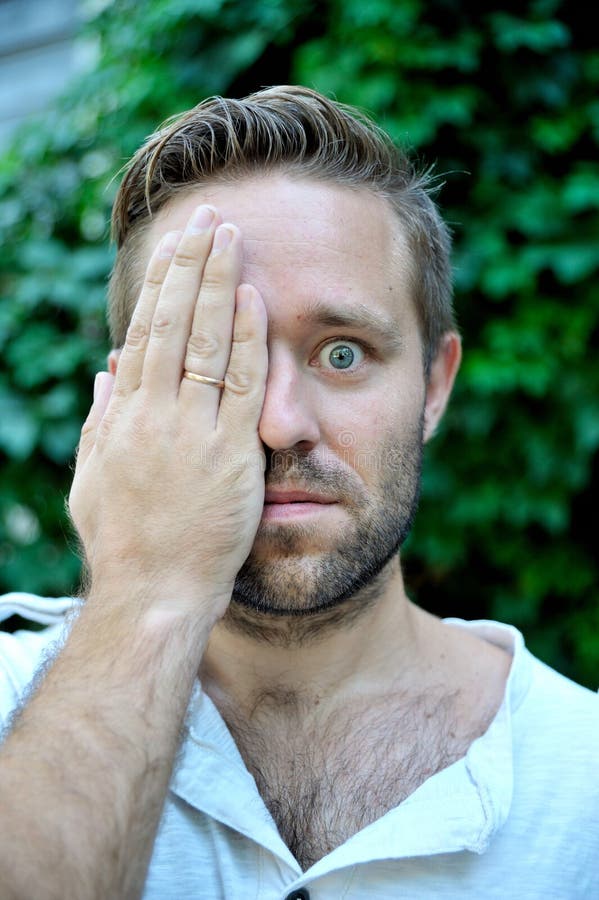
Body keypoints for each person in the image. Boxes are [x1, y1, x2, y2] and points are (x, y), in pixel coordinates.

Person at [0, 85, 597, 900]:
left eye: (342, 354)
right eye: (211, 358)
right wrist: (147, 593)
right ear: (126, 402)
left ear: (433, 386)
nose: (279, 424)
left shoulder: (583, 779)